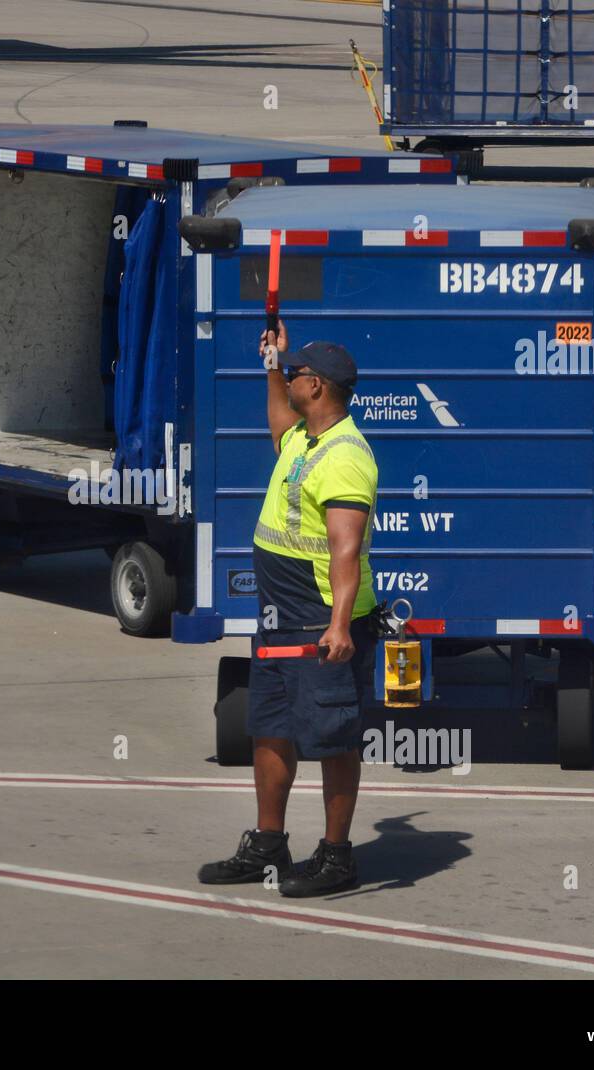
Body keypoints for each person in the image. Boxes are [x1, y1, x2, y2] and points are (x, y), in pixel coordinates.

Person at [198, 319, 379, 897]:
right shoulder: (305, 434)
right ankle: (268, 846)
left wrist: (339, 625)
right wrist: (274, 365)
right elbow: (279, 420)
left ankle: (336, 857)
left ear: (320, 387)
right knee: (270, 728)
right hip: (279, 612)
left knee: (332, 734)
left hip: (318, 614)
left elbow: (345, 549)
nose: (292, 378)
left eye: (299, 373)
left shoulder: (346, 456)